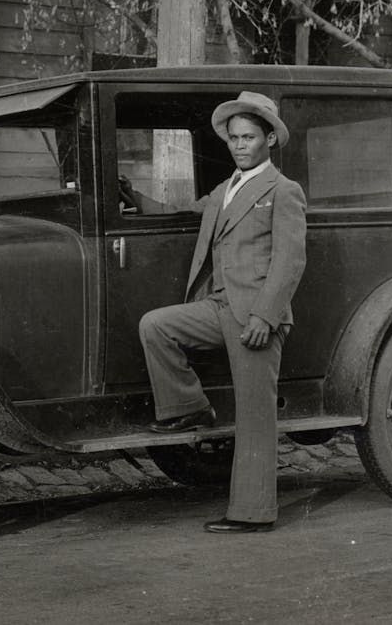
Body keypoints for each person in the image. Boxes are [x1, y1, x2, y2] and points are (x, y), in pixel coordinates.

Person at [125, 91, 307, 533]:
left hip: (254, 316)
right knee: (157, 326)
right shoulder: (225, 191)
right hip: (216, 304)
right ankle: (189, 407)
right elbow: (178, 212)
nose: (240, 145)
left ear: (269, 140)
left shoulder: (283, 190)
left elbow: (290, 261)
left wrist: (265, 316)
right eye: (234, 138)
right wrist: (132, 194)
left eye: (249, 137)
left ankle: (253, 513)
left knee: (255, 415)